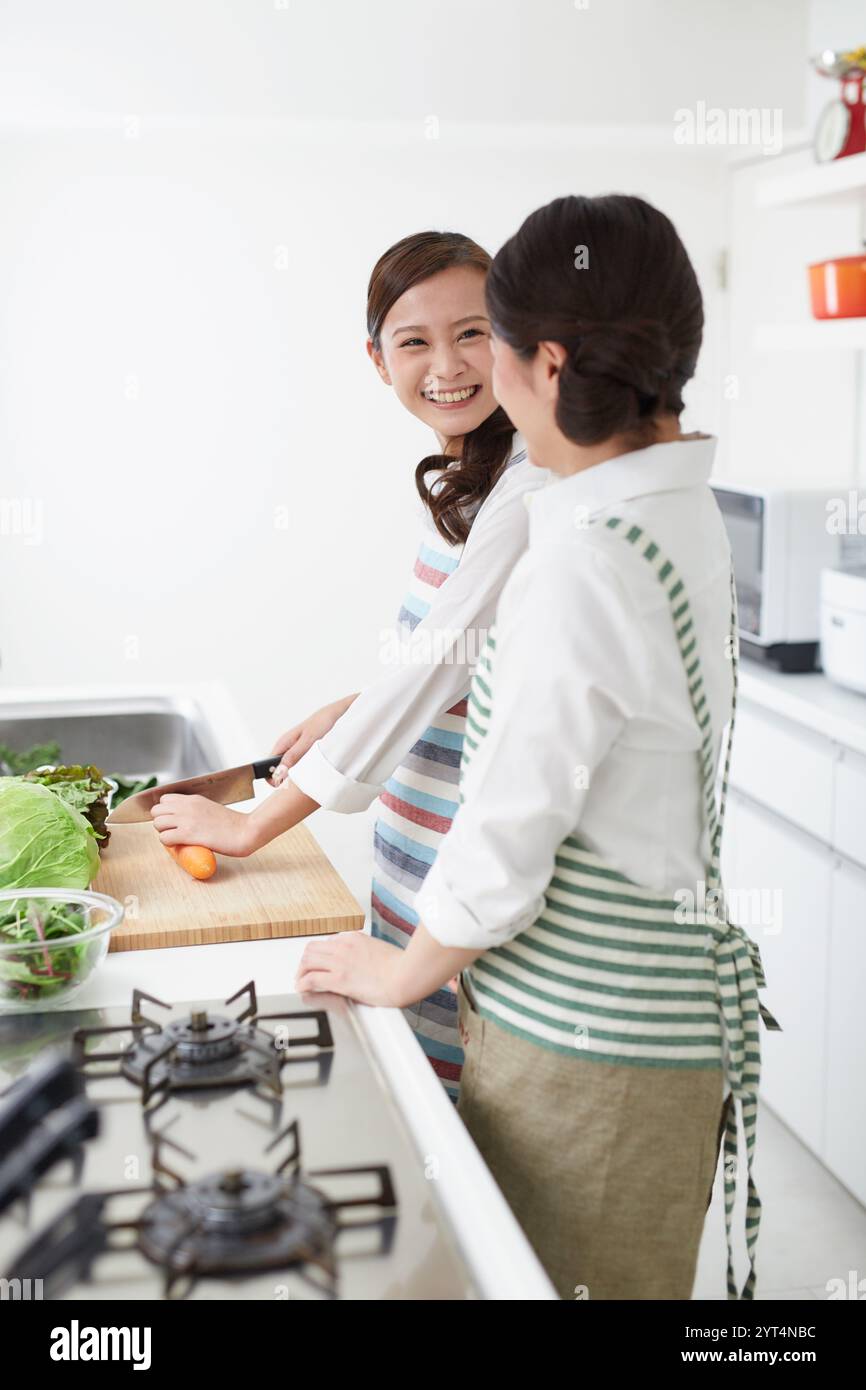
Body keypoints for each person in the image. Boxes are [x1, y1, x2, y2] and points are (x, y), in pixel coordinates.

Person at [295, 193, 780, 1300]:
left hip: (589, 1045)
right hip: (646, 1018)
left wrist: (403, 966)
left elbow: (513, 822)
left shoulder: (584, 555)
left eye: (492, 341)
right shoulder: (670, 507)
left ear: (545, 365)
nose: (477, 370)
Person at [151, 230, 550, 1102]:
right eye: (414, 342)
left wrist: (256, 823)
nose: (445, 365)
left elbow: (437, 667)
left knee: (459, 1108)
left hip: (468, 868)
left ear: (516, 335)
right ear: (378, 360)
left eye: (473, 332)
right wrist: (355, 703)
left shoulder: (531, 483)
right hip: (418, 838)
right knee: (430, 1089)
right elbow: (458, 658)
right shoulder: (464, 473)